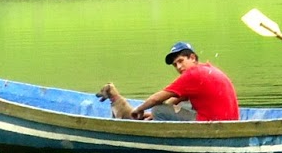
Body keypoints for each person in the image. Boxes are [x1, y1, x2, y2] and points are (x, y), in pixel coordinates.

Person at [100, 41, 240, 121]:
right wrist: (152, 116)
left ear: (192, 57)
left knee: (158, 108)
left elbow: (156, 98)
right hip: (229, 122)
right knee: (170, 108)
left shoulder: (192, 74)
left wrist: (138, 110)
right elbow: (176, 99)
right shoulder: (206, 69)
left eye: (181, 61)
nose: (179, 67)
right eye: (175, 65)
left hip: (212, 123)